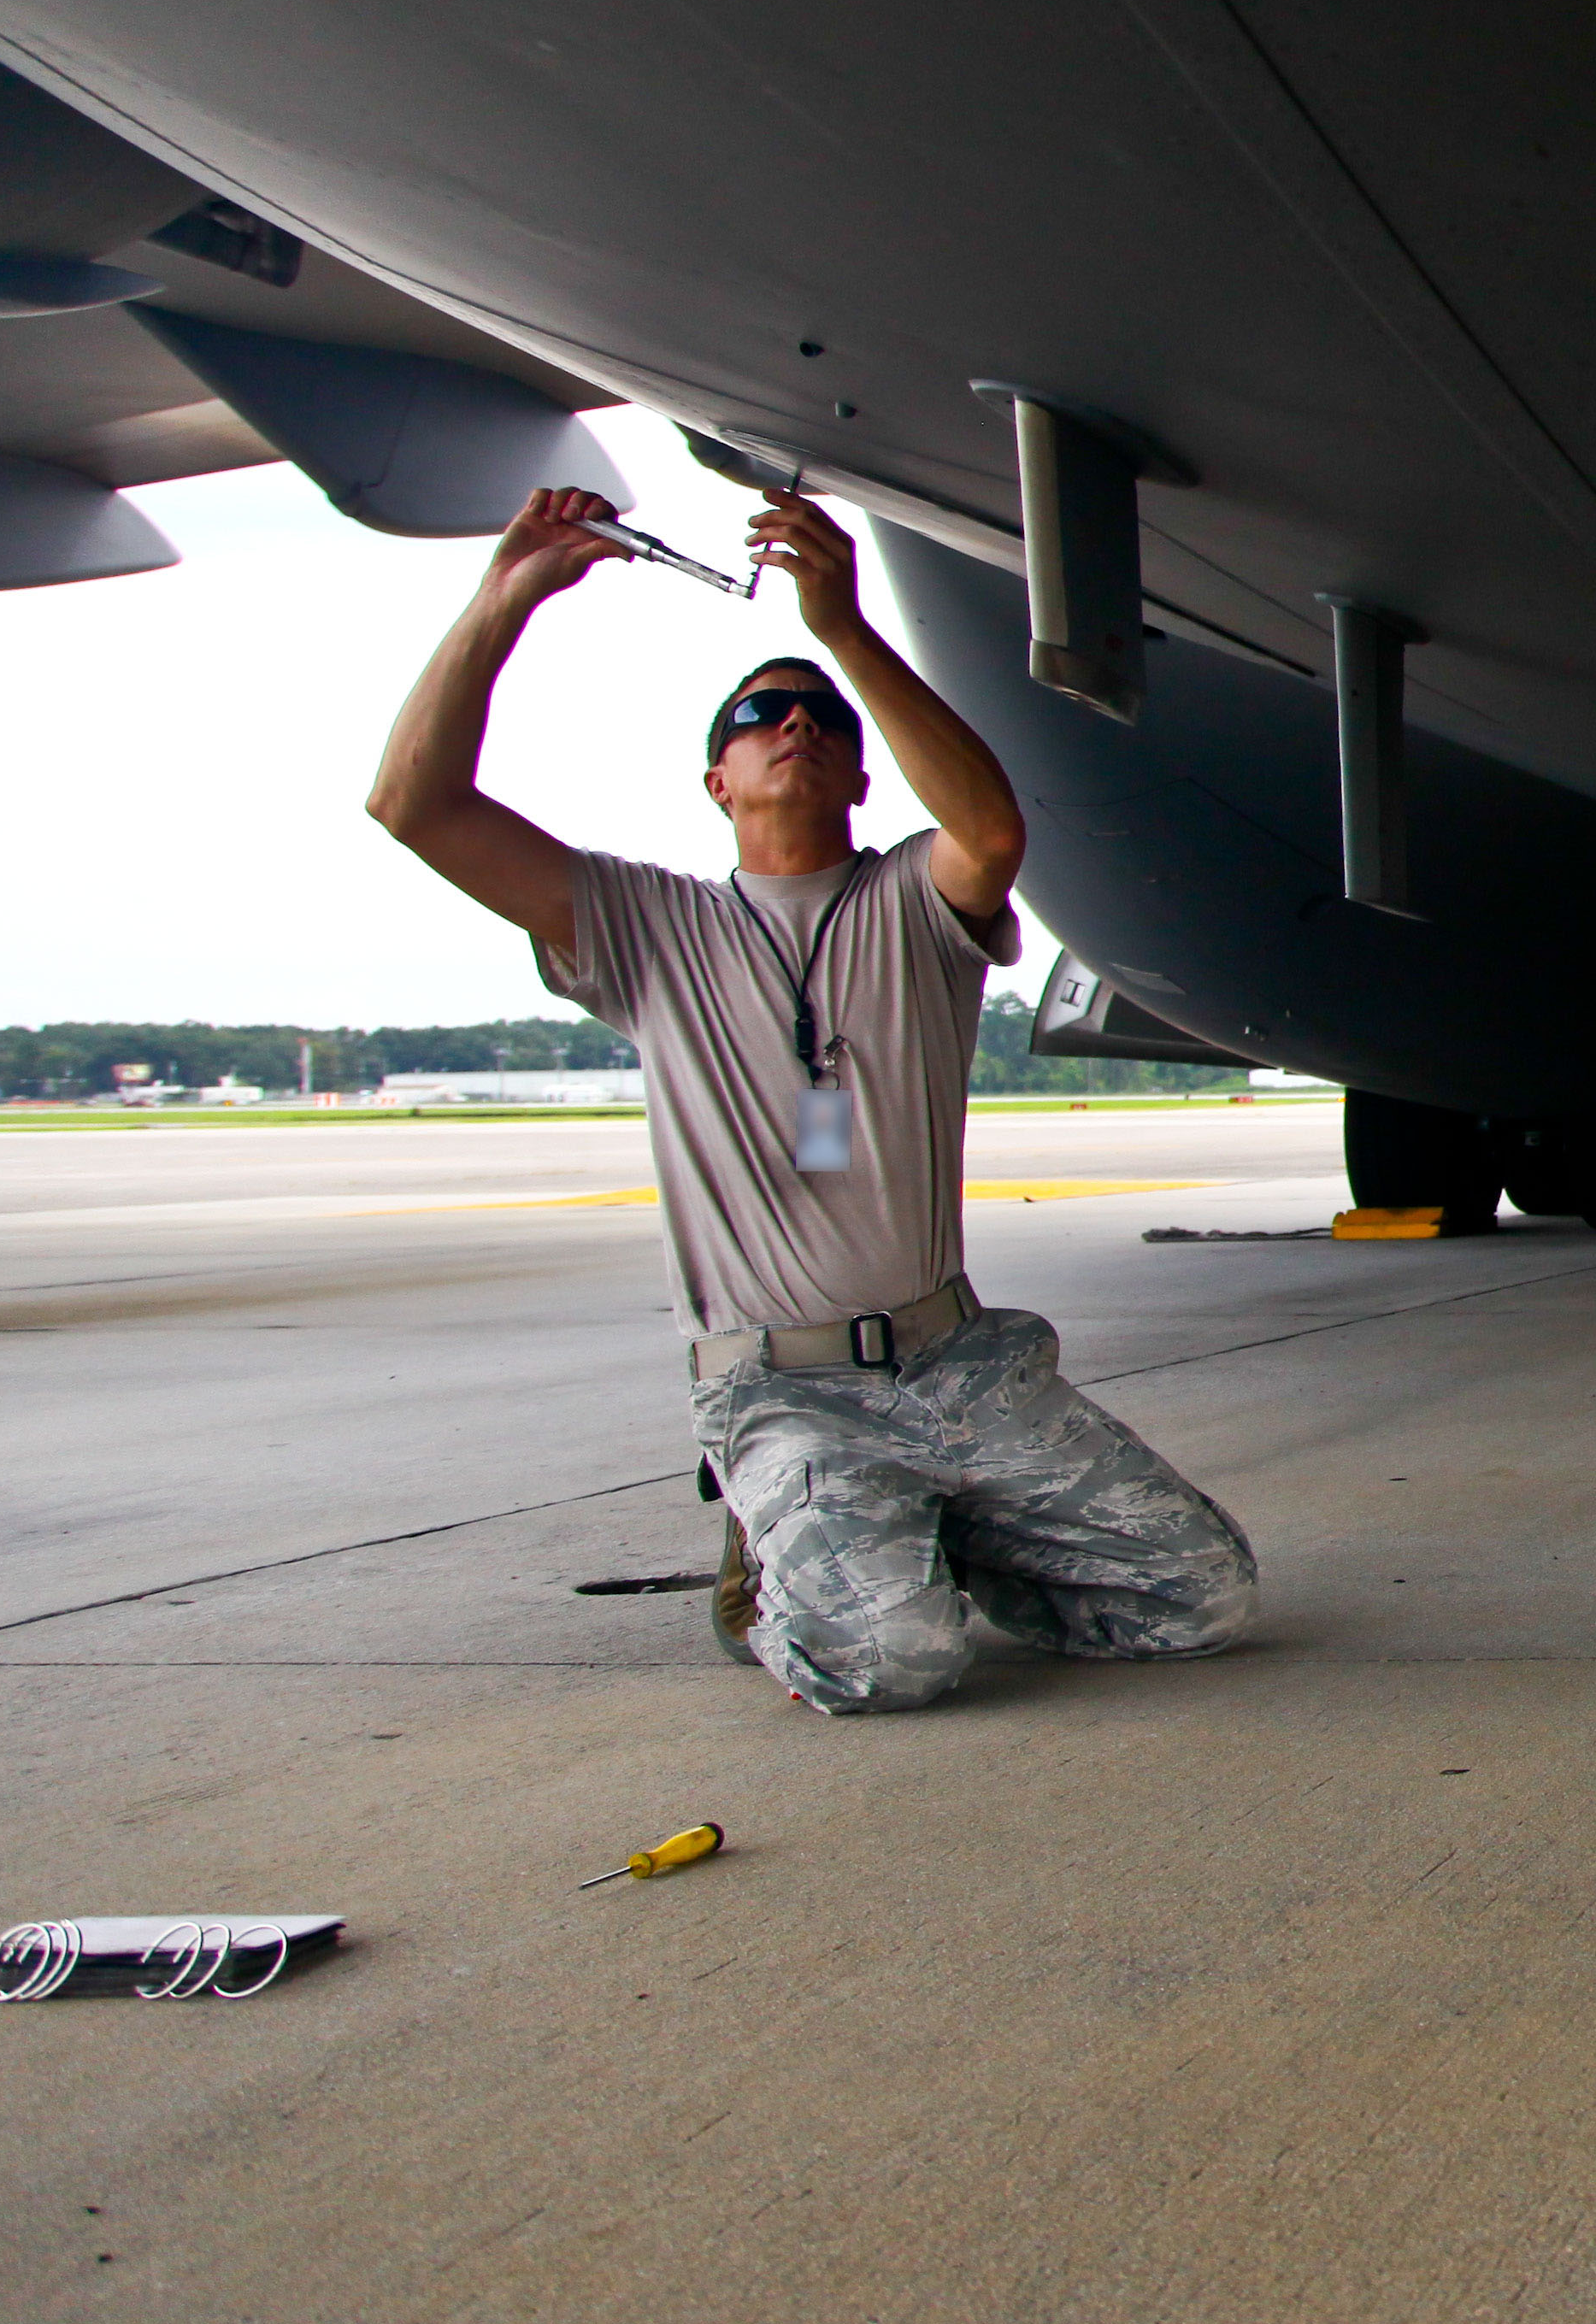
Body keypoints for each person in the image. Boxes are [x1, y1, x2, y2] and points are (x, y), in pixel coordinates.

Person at [368, 482, 1258, 1712]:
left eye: (824, 715)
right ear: (717, 781)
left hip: (958, 1364)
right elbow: (412, 805)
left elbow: (992, 830)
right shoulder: (643, 923)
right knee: (894, 1664)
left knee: (1202, 1598)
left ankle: (929, 1533)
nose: (797, 720)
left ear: (861, 773)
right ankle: (782, 1548)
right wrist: (503, 598)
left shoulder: (914, 900)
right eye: (761, 714)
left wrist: (843, 626)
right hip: (786, 1390)